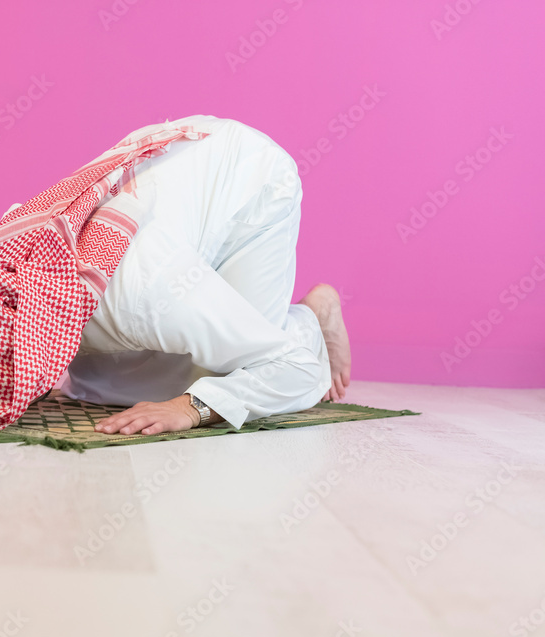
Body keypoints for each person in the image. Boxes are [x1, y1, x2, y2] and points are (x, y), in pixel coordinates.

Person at [44, 115, 352, 436]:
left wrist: (191, 409)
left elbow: (295, 368)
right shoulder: (33, 273)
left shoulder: (143, 297)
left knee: (237, 371)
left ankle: (310, 321)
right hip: (175, 164)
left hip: (250, 175)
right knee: (96, 387)